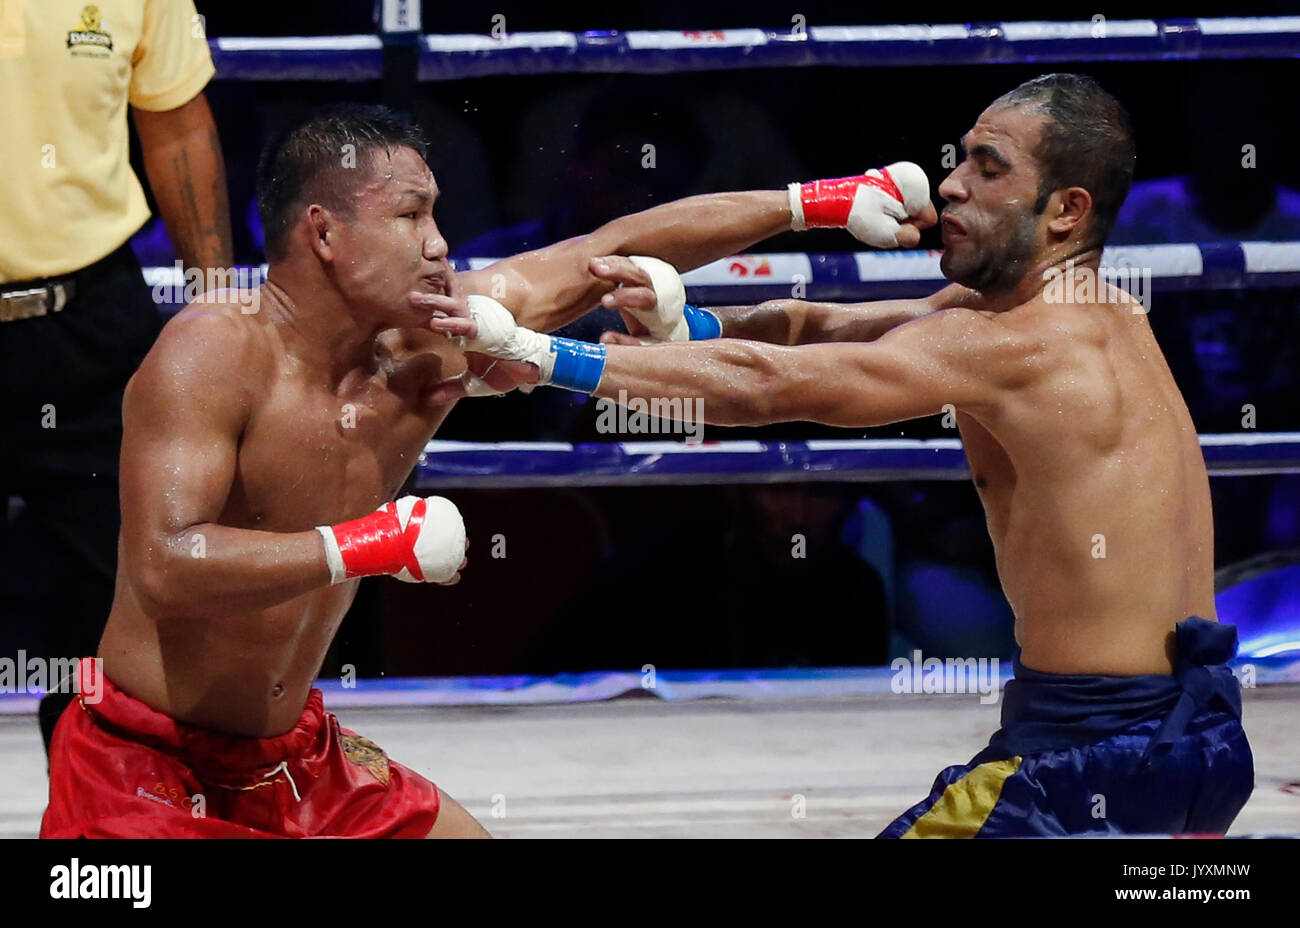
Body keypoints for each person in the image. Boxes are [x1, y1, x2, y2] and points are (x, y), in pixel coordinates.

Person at [40, 103, 927, 837]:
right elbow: (165, 565)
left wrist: (814, 200)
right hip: (145, 764)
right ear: (323, 232)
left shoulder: (435, 336)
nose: (438, 243)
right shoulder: (210, 353)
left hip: (292, 754)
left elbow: (612, 245)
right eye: (409, 214)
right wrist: (367, 544)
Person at [448, 74, 1255, 837]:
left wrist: (542, 357)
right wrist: (689, 325)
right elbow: (826, 329)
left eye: (987, 168)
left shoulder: (1014, 347)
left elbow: (772, 389)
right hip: (1200, 740)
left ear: (1065, 210)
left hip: (1089, 754)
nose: (950, 186)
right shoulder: (1091, 313)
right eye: (961, 158)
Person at [0, 0, 233, 754]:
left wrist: (219, 303)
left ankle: (98, 843)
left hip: (91, 318)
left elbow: (175, 120)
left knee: (123, 607)